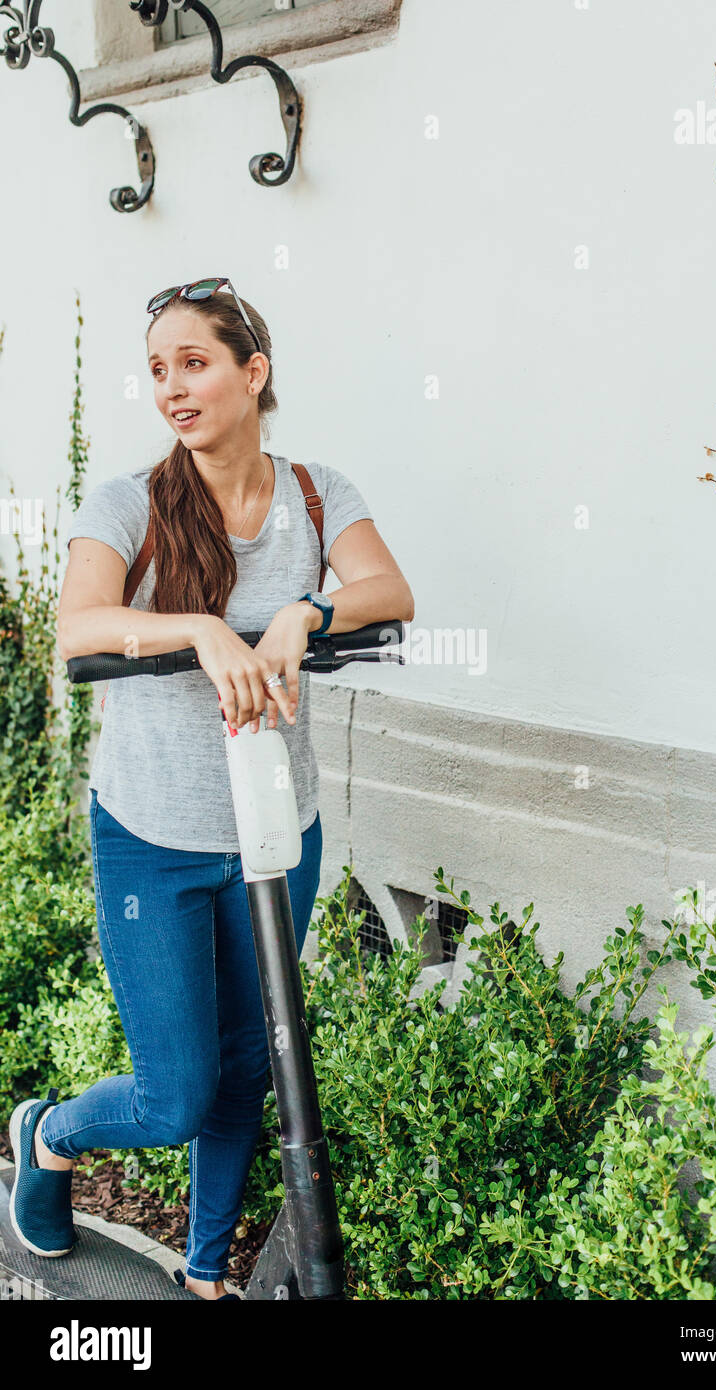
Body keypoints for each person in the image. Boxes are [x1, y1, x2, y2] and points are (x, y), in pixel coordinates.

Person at [8, 278, 414, 1300]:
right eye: (158, 370)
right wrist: (198, 627)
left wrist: (304, 613)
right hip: (153, 832)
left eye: (193, 362)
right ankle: (45, 1134)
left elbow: (388, 590)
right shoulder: (130, 503)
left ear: (252, 372)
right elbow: (76, 627)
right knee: (177, 1091)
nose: (173, 388)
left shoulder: (316, 495)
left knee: (248, 1067)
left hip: (279, 821)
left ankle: (200, 1271)